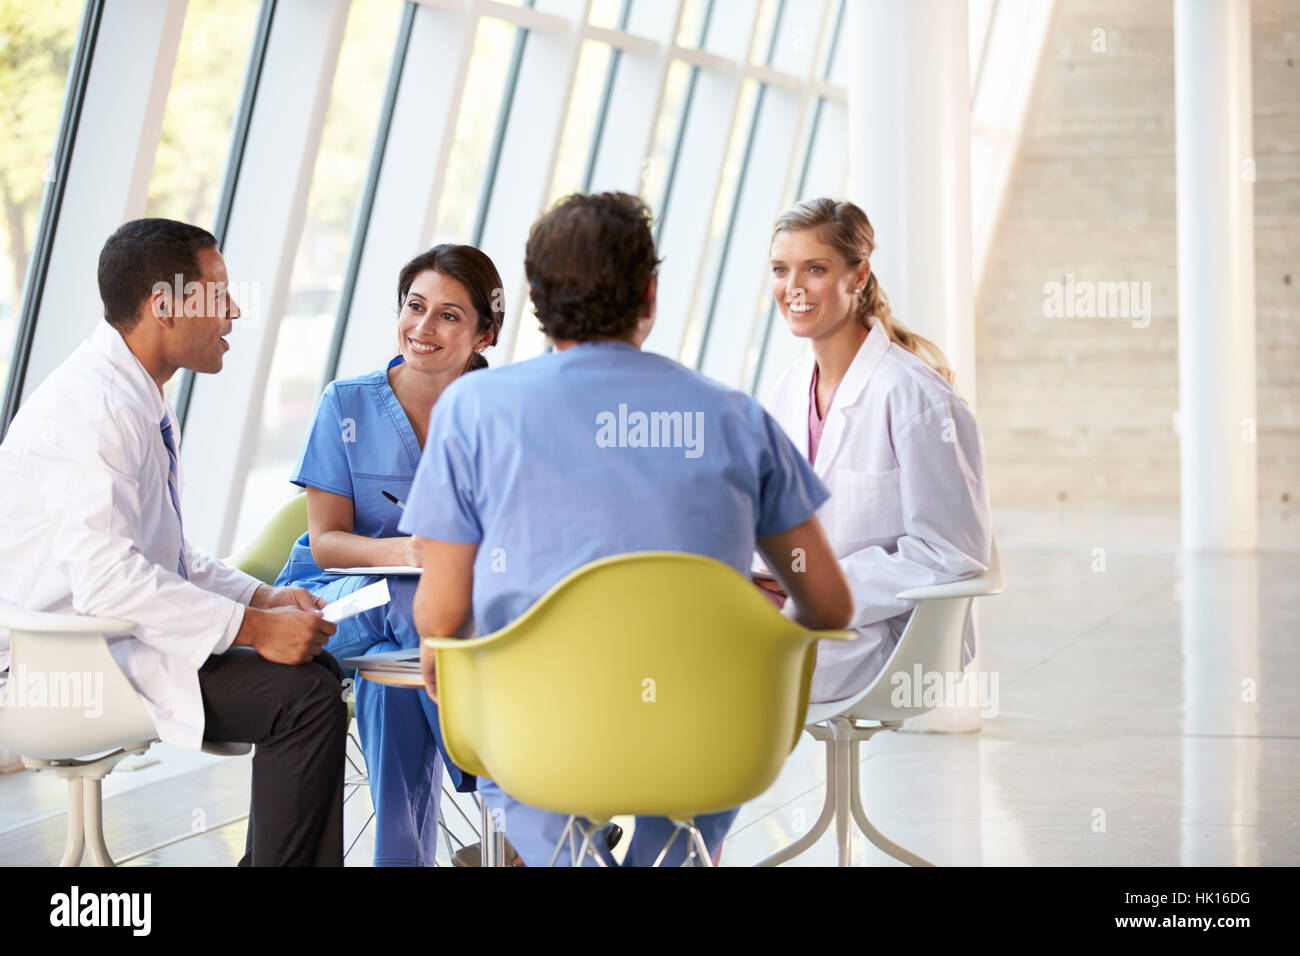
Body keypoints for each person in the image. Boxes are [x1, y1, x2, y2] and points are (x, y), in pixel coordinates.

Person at [398, 192, 854, 867]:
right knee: (695, 787)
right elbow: (831, 604)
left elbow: (442, 611)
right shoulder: (734, 415)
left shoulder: (474, 408)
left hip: (540, 736)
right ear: (649, 293)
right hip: (708, 739)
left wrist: (443, 648)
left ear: (534, 296)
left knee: (502, 748)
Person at [0, 218, 346, 866]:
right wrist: (252, 628)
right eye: (218, 295)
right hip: (59, 665)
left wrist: (265, 598)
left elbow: (168, 560)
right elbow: (109, 583)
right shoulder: (96, 408)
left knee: (317, 675)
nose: (234, 310)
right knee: (303, 702)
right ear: (164, 305)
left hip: (106, 642)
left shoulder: (135, 397)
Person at [273, 244, 501, 866]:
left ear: (486, 331)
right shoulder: (346, 403)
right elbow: (327, 541)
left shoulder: (502, 413)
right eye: (415, 307)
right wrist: (413, 552)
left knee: (389, 685)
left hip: (429, 629)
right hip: (333, 601)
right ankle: (516, 806)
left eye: (450, 316)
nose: (423, 329)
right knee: (411, 596)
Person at [757, 197, 993, 702]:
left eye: (814, 269)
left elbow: (954, 553)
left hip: (884, 635)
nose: (792, 288)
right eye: (781, 269)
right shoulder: (789, 386)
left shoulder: (917, 398)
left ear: (858, 276)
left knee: (705, 659)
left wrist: (823, 587)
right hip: (804, 606)